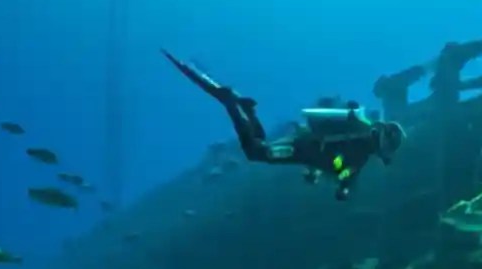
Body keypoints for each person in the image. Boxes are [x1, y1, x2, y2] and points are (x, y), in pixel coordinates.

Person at [161, 50, 405, 200]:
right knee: (255, 152)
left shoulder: (360, 134)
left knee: (260, 149)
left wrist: (319, 171)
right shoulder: (360, 150)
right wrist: (342, 186)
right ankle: (232, 104)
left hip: (303, 146)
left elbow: (335, 158)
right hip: (301, 148)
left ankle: (247, 111)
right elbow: (339, 164)